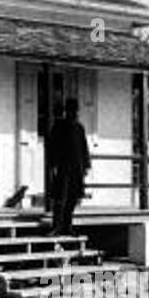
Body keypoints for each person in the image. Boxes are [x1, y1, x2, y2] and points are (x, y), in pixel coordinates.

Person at [47, 97, 91, 234]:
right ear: (67, 111)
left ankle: (68, 225)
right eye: (71, 110)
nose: (74, 113)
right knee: (60, 197)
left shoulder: (79, 128)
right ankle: (56, 226)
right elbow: (52, 146)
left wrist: (86, 166)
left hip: (76, 167)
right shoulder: (59, 126)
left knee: (72, 198)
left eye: (75, 110)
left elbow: (84, 148)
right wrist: (53, 164)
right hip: (63, 167)